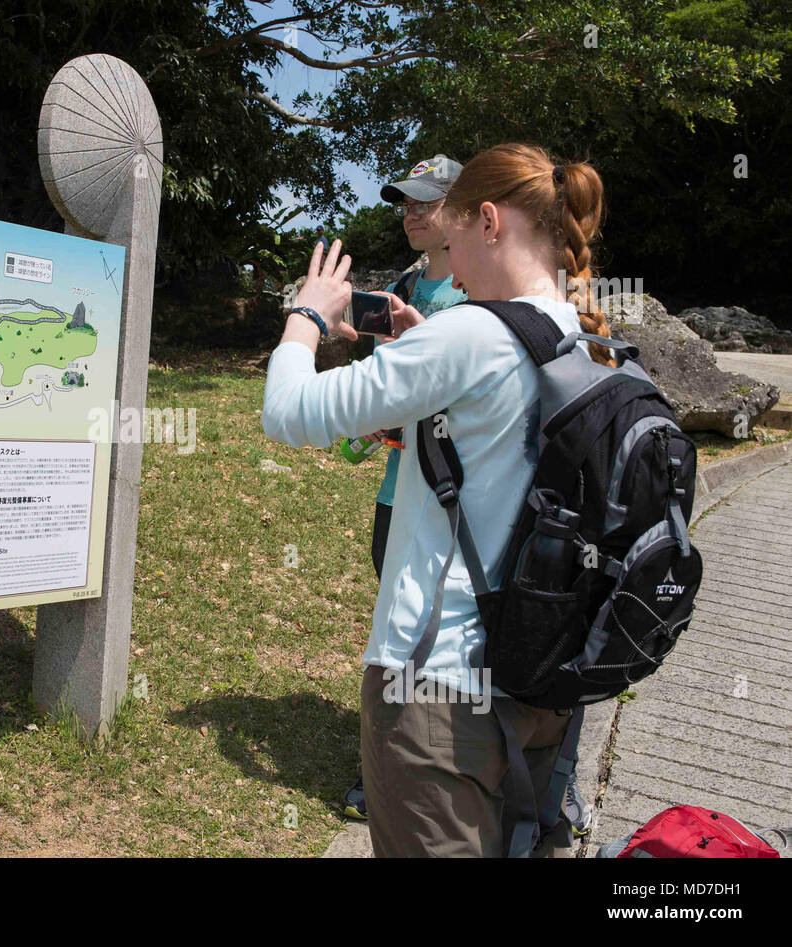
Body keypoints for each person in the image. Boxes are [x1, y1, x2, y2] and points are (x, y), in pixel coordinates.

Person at [263, 142, 613, 856]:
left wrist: (306, 313)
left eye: (451, 243)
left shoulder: (469, 333)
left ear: (488, 221)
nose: (448, 264)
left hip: (436, 695)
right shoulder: (583, 336)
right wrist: (425, 351)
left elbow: (288, 410)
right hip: (539, 682)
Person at [341, 155, 468, 822]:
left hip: (451, 499)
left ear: (465, 207)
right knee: (398, 629)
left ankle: (406, 774)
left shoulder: (477, 296)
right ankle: (396, 765)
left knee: (430, 634)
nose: (412, 213)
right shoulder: (403, 286)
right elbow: (384, 383)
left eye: (427, 201)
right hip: (397, 492)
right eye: (405, 202)